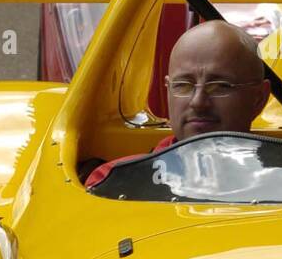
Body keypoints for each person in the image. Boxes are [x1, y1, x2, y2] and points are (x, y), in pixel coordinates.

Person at [85, 22, 271, 189]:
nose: (198, 102)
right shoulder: (115, 183)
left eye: (219, 86)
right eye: (183, 85)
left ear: (258, 98)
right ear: (167, 90)